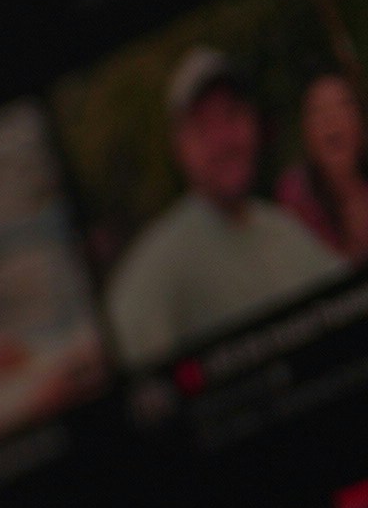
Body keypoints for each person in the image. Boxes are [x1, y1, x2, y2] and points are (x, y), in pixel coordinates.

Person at [102, 46, 344, 366]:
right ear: (180, 147)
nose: (223, 141)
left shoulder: (285, 228)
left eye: (232, 115)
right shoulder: (158, 265)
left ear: (253, 122)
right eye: (203, 127)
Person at [278, 69, 368, 259]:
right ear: (307, 134)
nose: (331, 118)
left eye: (343, 106)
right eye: (318, 111)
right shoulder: (297, 199)